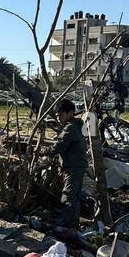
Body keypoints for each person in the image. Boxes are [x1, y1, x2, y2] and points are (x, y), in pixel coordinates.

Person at [53, 97, 88, 227]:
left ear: (71, 113)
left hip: (73, 167)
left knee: (68, 196)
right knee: (74, 195)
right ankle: (72, 223)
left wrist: (42, 151)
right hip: (77, 165)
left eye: (61, 115)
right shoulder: (76, 125)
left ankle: (69, 226)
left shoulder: (70, 128)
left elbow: (59, 146)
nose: (59, 118)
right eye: (57, 116)